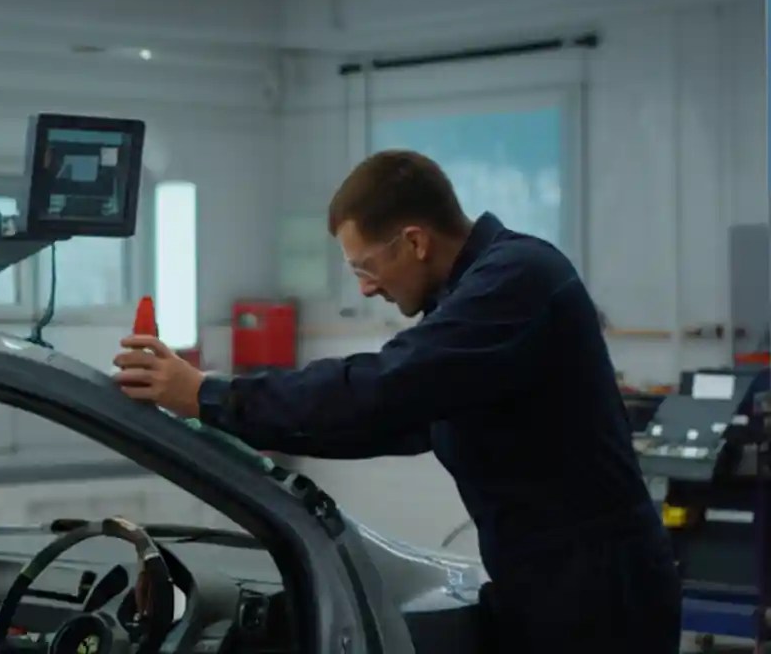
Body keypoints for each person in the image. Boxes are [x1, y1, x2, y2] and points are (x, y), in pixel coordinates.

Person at [113, 150, 681, 652]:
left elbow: (383, 388)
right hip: (546, 583)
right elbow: (387, 421)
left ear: (414, 241)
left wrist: (211, 394)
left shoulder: (517, 279)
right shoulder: (474, 297)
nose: (365, 287)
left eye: (365, 266)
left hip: (599, 597)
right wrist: (219, 415)